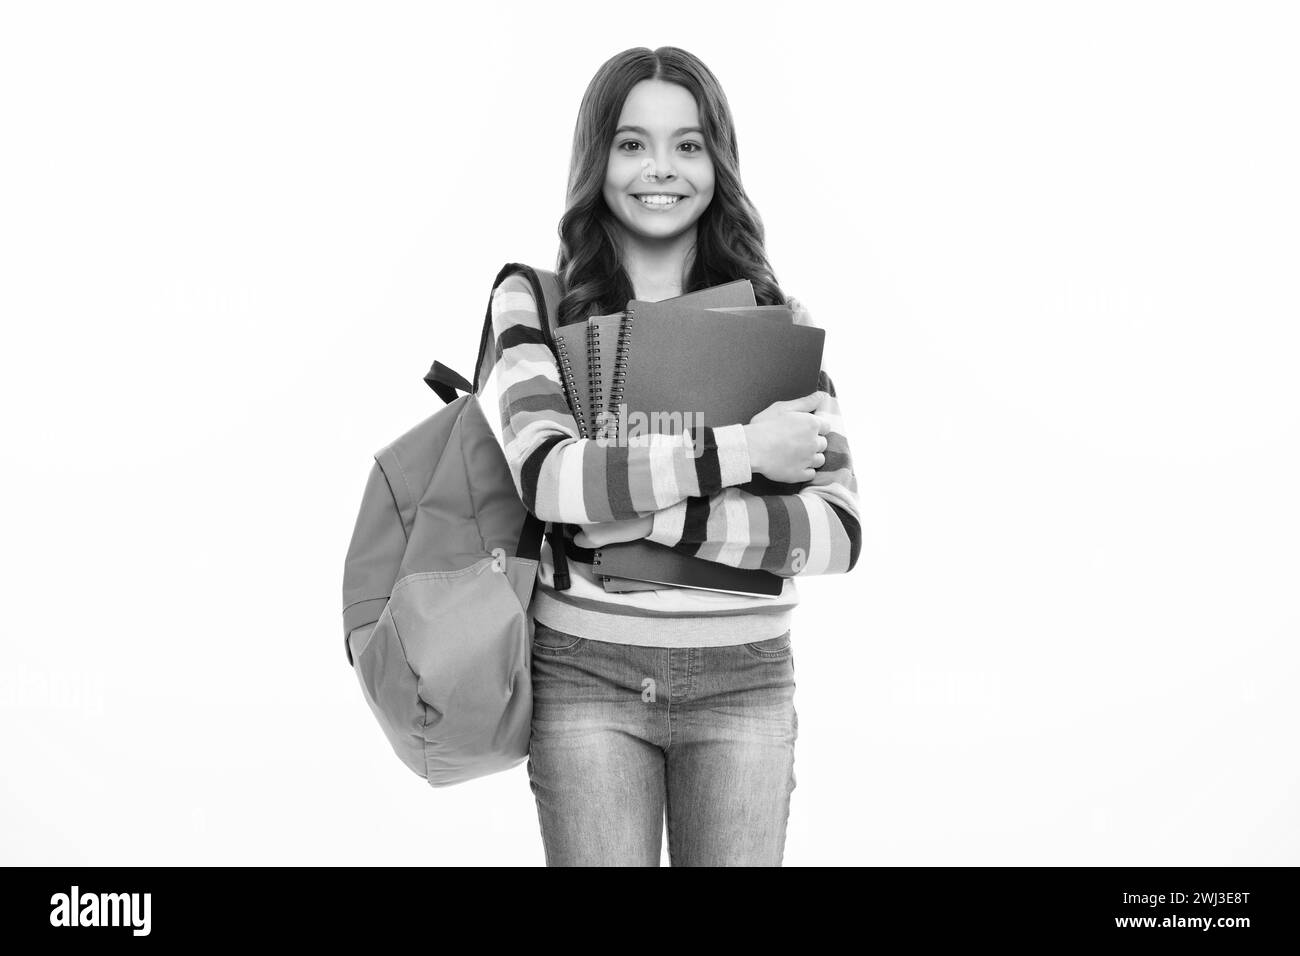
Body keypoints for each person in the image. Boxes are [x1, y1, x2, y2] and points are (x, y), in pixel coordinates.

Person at [481, 46, 862, 866]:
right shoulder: (534, 303)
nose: (662, 169)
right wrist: (745, 451)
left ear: (717, 163)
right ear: (598, 160)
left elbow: (837, 536)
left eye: (688, 145)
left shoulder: (772, 317)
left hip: (746, 681)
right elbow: (551, 480)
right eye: (632, 144)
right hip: (587, 678)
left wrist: (630, 519)